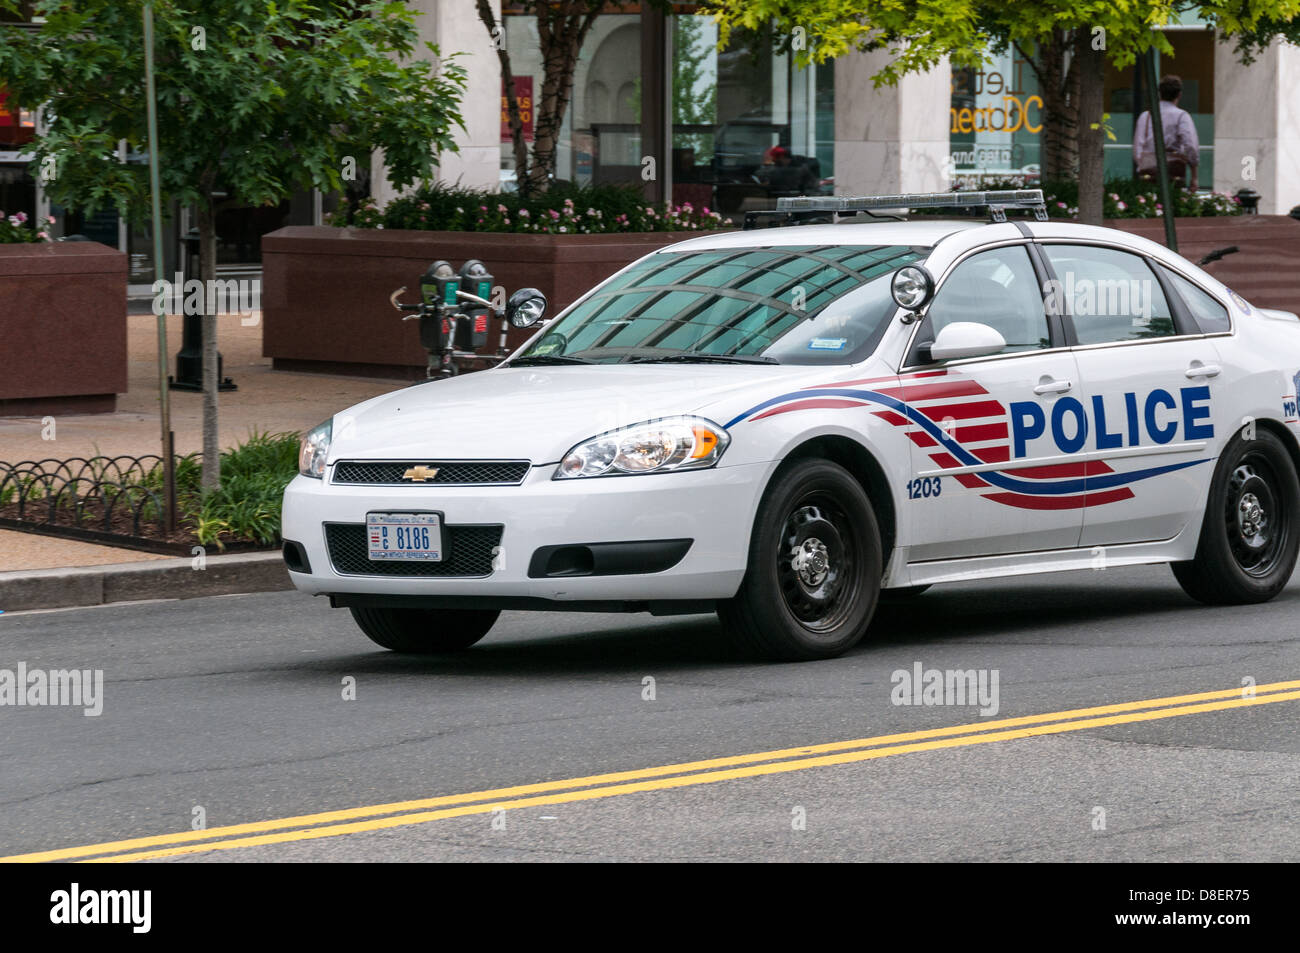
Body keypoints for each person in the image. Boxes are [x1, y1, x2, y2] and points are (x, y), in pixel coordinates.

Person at [1134, 74, 1200, 188]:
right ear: (1179, 95)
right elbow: (1191, 146)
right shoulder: (1182, 116)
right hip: (1173, 173)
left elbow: (1137, 148)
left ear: (1160, 93)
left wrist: (1143, 164)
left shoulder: (1146, 116)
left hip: (1147, 174)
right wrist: (1194, 176)